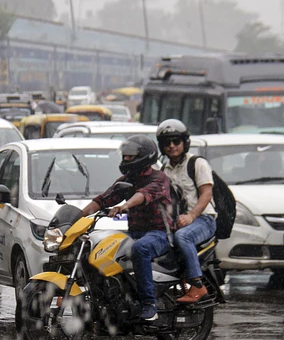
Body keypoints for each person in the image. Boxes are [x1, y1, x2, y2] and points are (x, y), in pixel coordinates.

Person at [78, 135, 173, 323]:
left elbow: (142, 195)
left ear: (144, 156)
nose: (126, 159)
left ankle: (149, 304)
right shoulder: (127, 179)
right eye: (125, 156)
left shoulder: (159, 179)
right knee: (98, 246)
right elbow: (103, 199)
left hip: (160, 234)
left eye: (130, 156)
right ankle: (109, 300)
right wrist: (77, 217)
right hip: (135, 232)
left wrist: (125, 205)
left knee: (140, 249)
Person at [157, 119, 218, 303]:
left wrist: (192, 216)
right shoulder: (164, 169)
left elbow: (206, 194)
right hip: (178, 221)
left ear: (185, 142)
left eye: (176, 141)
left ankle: (198, 286)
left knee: (183, 237)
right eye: (167, 142)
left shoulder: (197, 163)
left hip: (203, 220)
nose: (172, 146)